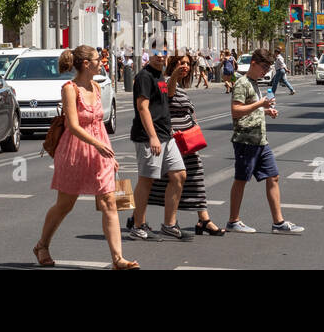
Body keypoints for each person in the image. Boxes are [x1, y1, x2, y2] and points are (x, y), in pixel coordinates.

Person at [32, 45, 137, 270]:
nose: (102, 63)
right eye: (98, 60)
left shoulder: (97, 87)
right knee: (65, 204)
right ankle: (42, 245)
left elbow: (99, 124)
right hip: (75, 151)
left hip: (99, 151)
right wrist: (98, 145)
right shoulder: (70, 88)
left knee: (110, 201)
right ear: (87, 64)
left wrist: (109, 153)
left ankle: (118, 259)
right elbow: (73, 125)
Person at [142, 54, 224, 235]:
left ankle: (203, 219)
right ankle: (138, 217)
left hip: (187, 141)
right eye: (181, 63)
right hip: (174, 140)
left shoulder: (180, 85)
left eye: (187, 63)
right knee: (156, 182)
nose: (185, 66)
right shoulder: (166, 83)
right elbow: (169, 94)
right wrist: (174, 77)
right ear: (172, 65)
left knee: (192, 178)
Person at [226, 48, 304, 235]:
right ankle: (233, 221)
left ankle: (278, 222)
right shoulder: (242, 83)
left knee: (273, 176)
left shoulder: (254, 83)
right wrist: (260, 105)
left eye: (268, 68)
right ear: (253, 63)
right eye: (264, 67)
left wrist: (265, 111)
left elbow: (249, 108)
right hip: (245, 139)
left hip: (260, 139)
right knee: (241, 180)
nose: (266, 71)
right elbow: (236, 111)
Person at [127, 44, 186, 240]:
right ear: (148, 54)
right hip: (148, 137)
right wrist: (152, 136)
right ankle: (138, 225)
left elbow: (166, 97)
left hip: (165, 135)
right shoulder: (145, 76)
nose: (160, 56)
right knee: (147, 179)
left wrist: (175, 76)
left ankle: (169, 224)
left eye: (163, 53)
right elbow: (142, 108)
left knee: (179, 175)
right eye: (156, 53)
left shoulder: (159, 74)